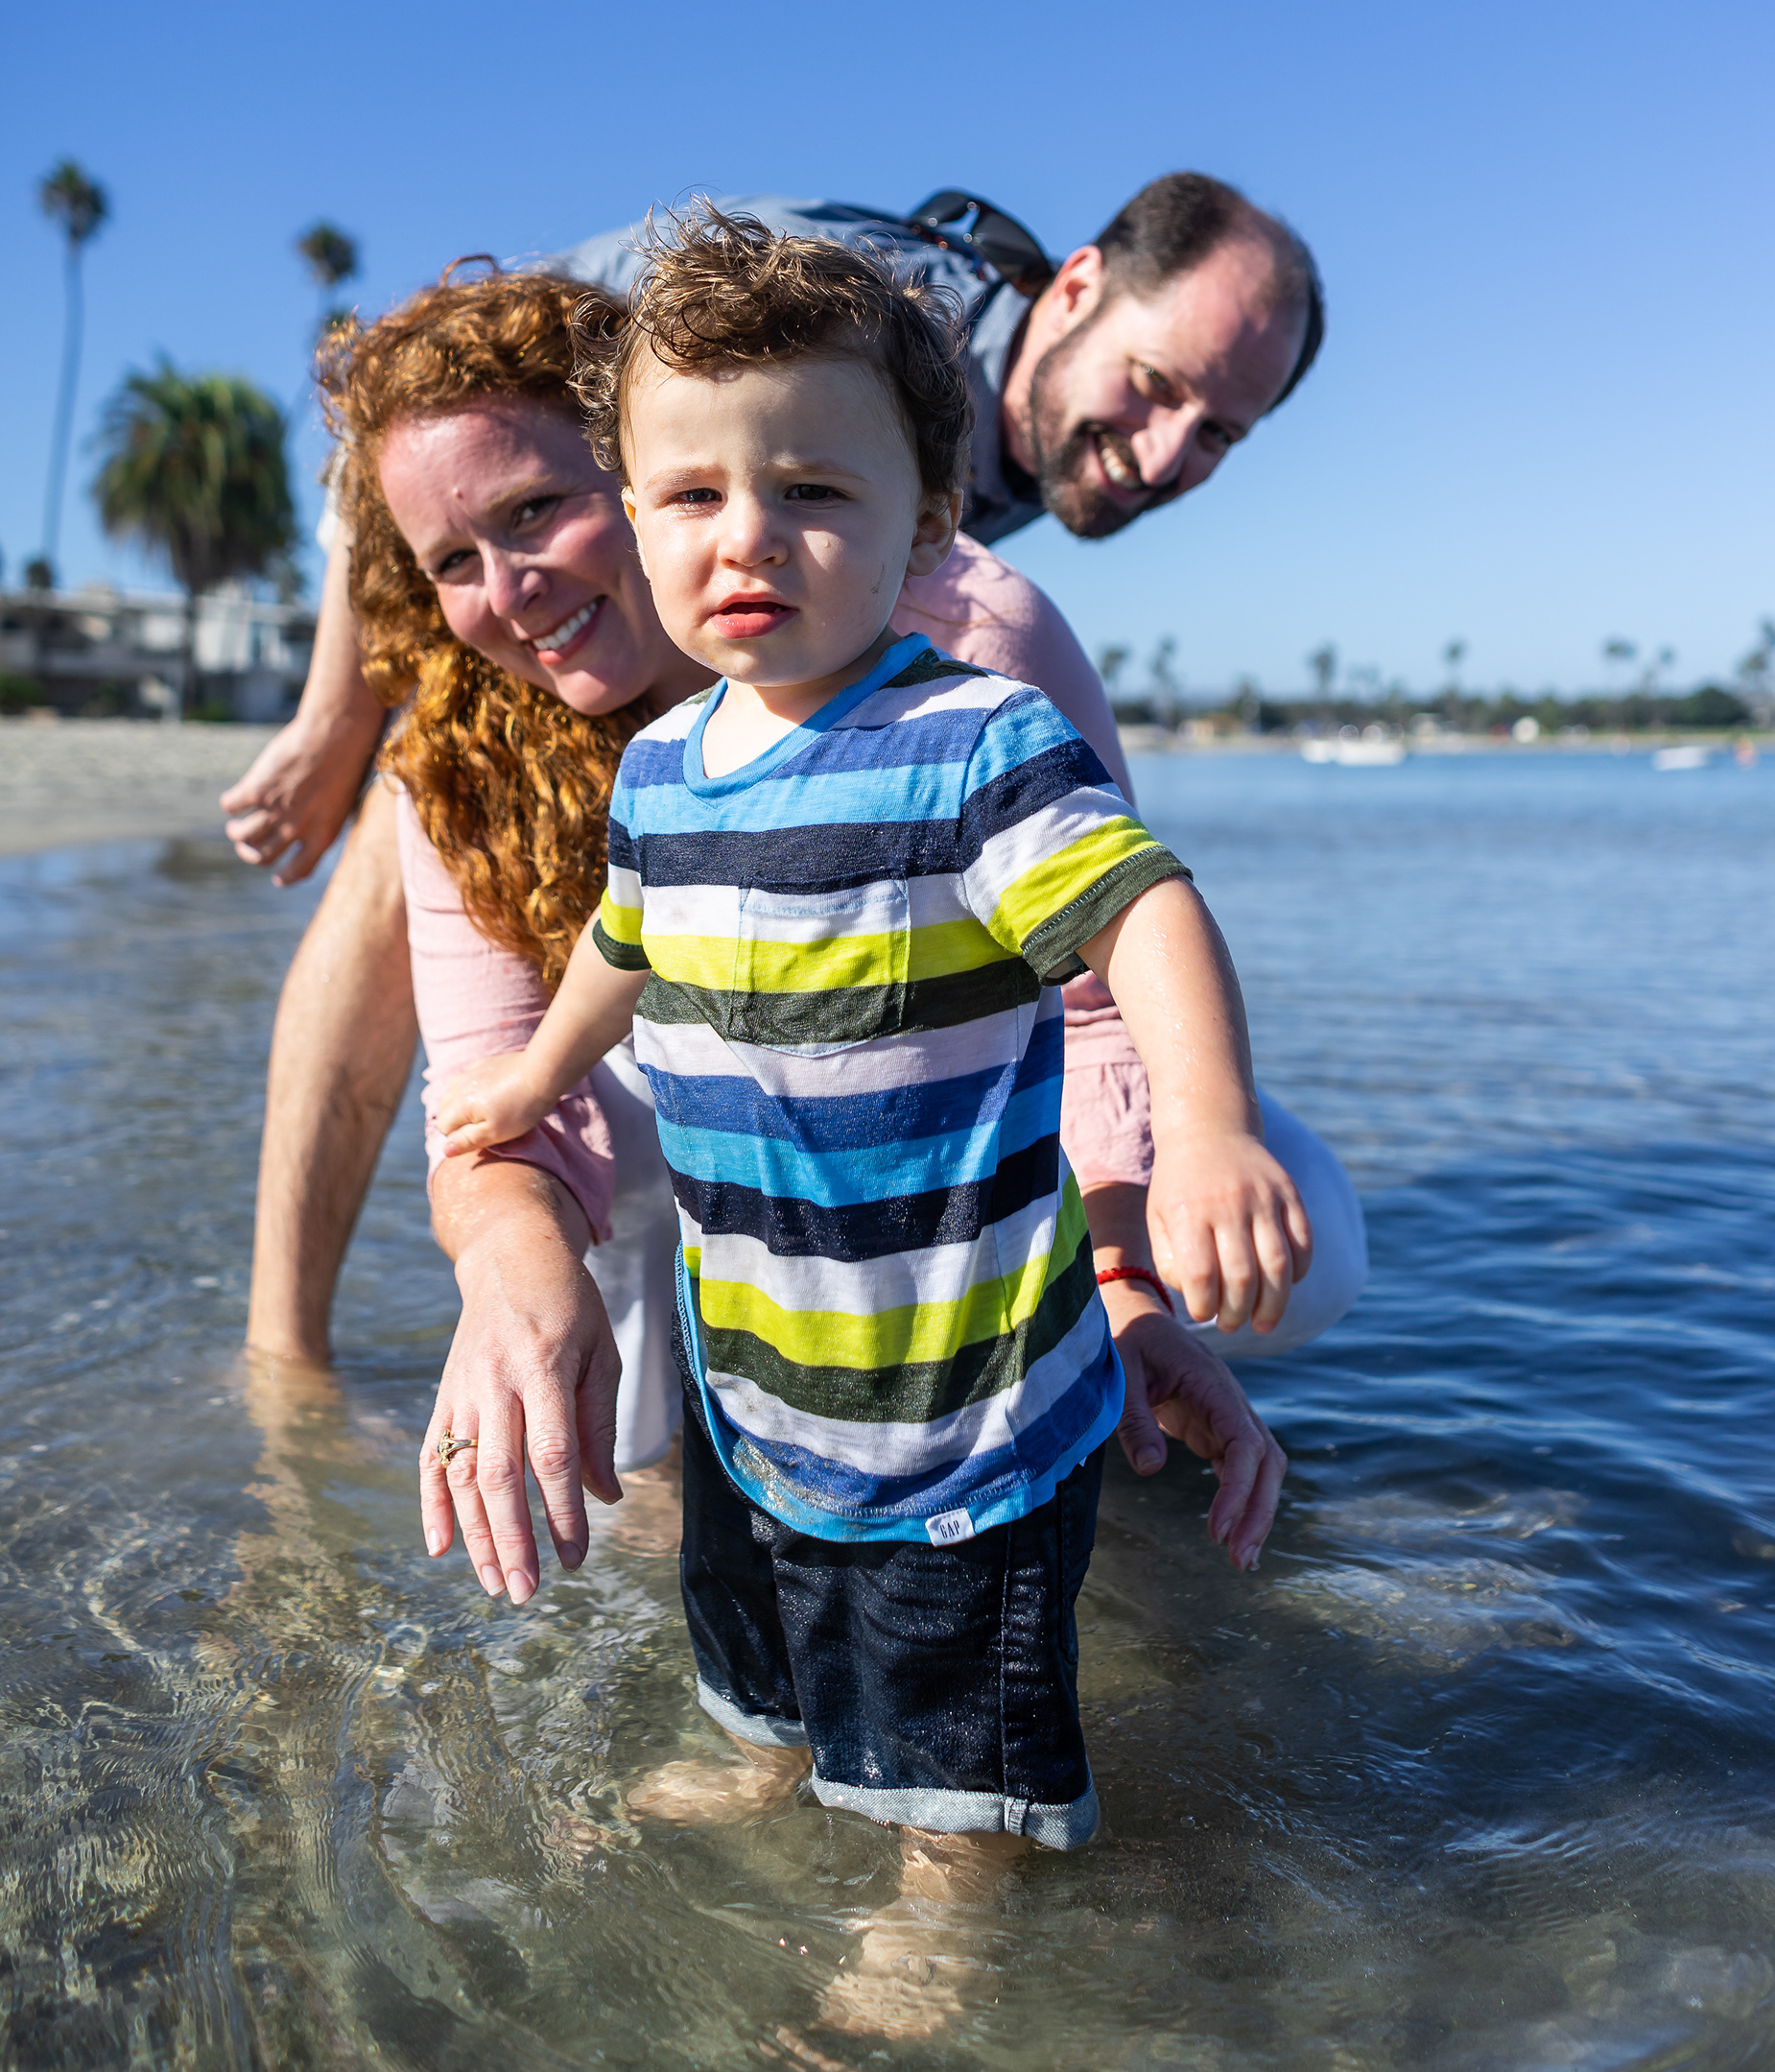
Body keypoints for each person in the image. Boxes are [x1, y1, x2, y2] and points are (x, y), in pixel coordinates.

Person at [429, 212, 1309, 1917]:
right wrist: (537, 1082)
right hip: (763, 1360)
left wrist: (1205, 1130)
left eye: (815, 490)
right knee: (752, 1610)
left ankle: (950, 1907)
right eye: (693, 493)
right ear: (634, 514)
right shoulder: (665, 765)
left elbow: (1144, 913)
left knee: (950, 1698)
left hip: (960, 1402)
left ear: (927, 517)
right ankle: (770, 1749)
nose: (749, 533)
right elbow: (624, 938)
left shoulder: (972, 743)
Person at [230, 173, 1338, 1375]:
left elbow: (1109, 969)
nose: (1166, 452)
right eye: (1158, 383)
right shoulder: (762, 306)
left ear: (924, 514)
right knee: (424, 825)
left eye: (811, 487)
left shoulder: (972, 641)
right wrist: (334, 718)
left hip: (933, 1075)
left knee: (1305, 1248)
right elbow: (417, 446)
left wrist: (1134, 1250)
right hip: (705, 1093)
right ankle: (286, 1350)